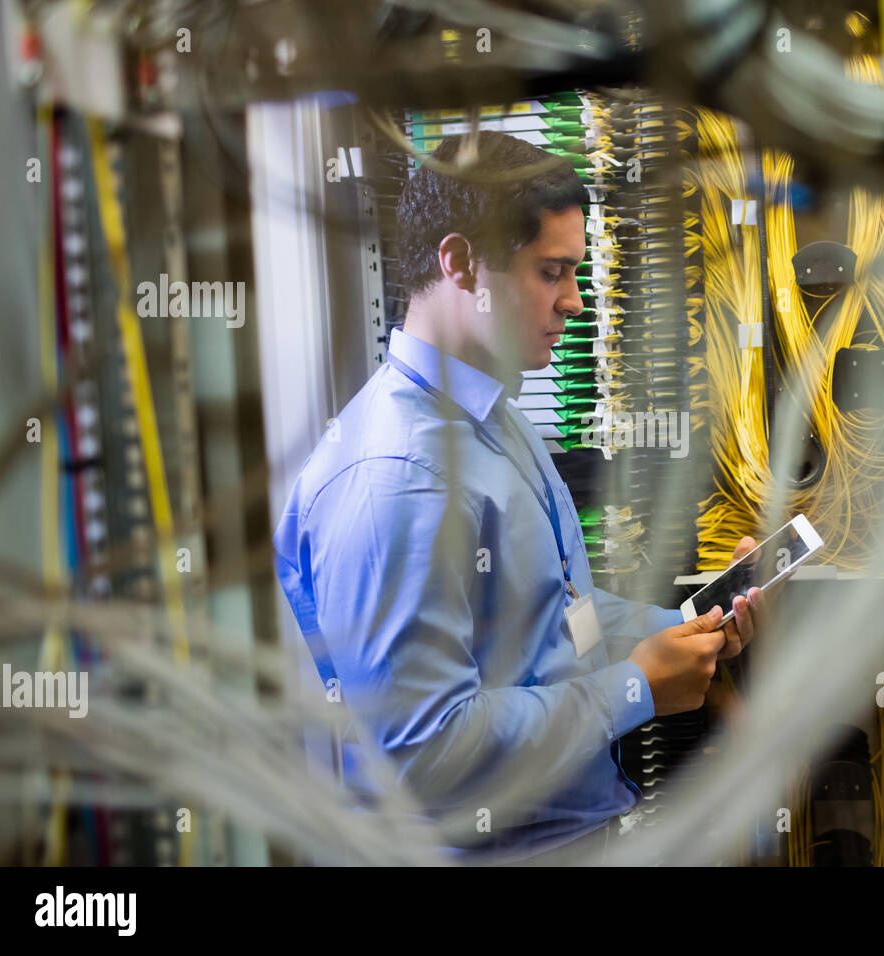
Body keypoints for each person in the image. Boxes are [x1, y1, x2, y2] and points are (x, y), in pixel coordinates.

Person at [272, 130, 763, 864]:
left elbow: (560, 628)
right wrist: (634, 690)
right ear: (462, 263)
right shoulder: (397, 474)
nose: (574, 300)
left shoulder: (495, 420)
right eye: (552, 271)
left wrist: (697, 623)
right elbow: (424, 754)